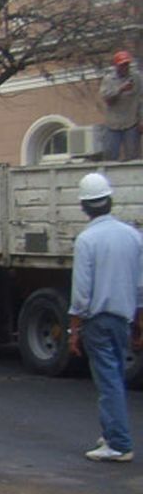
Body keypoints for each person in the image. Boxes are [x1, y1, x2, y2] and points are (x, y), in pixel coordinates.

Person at [67, 172, 143, 462]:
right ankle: (113, 430)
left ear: (84, 207)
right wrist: (138, 320)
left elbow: (81, 294)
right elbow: (140, 284)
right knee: (116, 378)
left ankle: (119, 443)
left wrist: (74, 330)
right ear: (109, 201)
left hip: (98, 319)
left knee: (107, 379)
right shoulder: (132, 236)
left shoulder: (87, 240)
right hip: (123, 317)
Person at [99, 50, 143, 161]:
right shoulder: (108, 80)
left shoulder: (137, 78)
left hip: (131, 122)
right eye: (122, 65)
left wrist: (141, 119)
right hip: (113, 124)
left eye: (127, 64)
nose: (125, 67)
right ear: (116, 66)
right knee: (111, 156)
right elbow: (107, 99)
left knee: (133, 156)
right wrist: (120, 89)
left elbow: (140, 99)